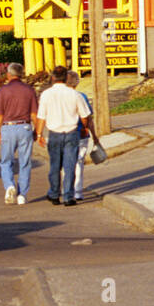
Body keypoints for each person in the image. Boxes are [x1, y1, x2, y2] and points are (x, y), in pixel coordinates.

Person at [35, 64, 92, 206]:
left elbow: (41, 116)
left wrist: (39, 134)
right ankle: (68, 196)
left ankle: (54, 194)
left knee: (55, 166)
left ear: (53, 77)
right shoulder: (75, 94)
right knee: (70, 166)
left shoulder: (46, 94)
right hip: (72, 133)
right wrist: (85, 127)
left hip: (54, 134)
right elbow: (85, 115)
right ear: (66, 77)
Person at [0, 62, 38, 205]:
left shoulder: (3, 91)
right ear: (21, 74)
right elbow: (34, 114)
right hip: (25, 127)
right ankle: (22, 195)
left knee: (6, 161)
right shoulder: (29, 90)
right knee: (25, 162)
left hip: (8, 128)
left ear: (9, 74)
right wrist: (37, 131)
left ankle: (9, 185)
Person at [67, 71, 101, 203]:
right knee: (79, 162)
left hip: (64, 134)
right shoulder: (82, 96)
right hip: (81, 133)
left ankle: (67, 189)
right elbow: (88, 117)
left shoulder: (58, 97)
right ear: (77, 83)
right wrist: (93, 135)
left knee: (66, 163)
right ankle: (78, 191)